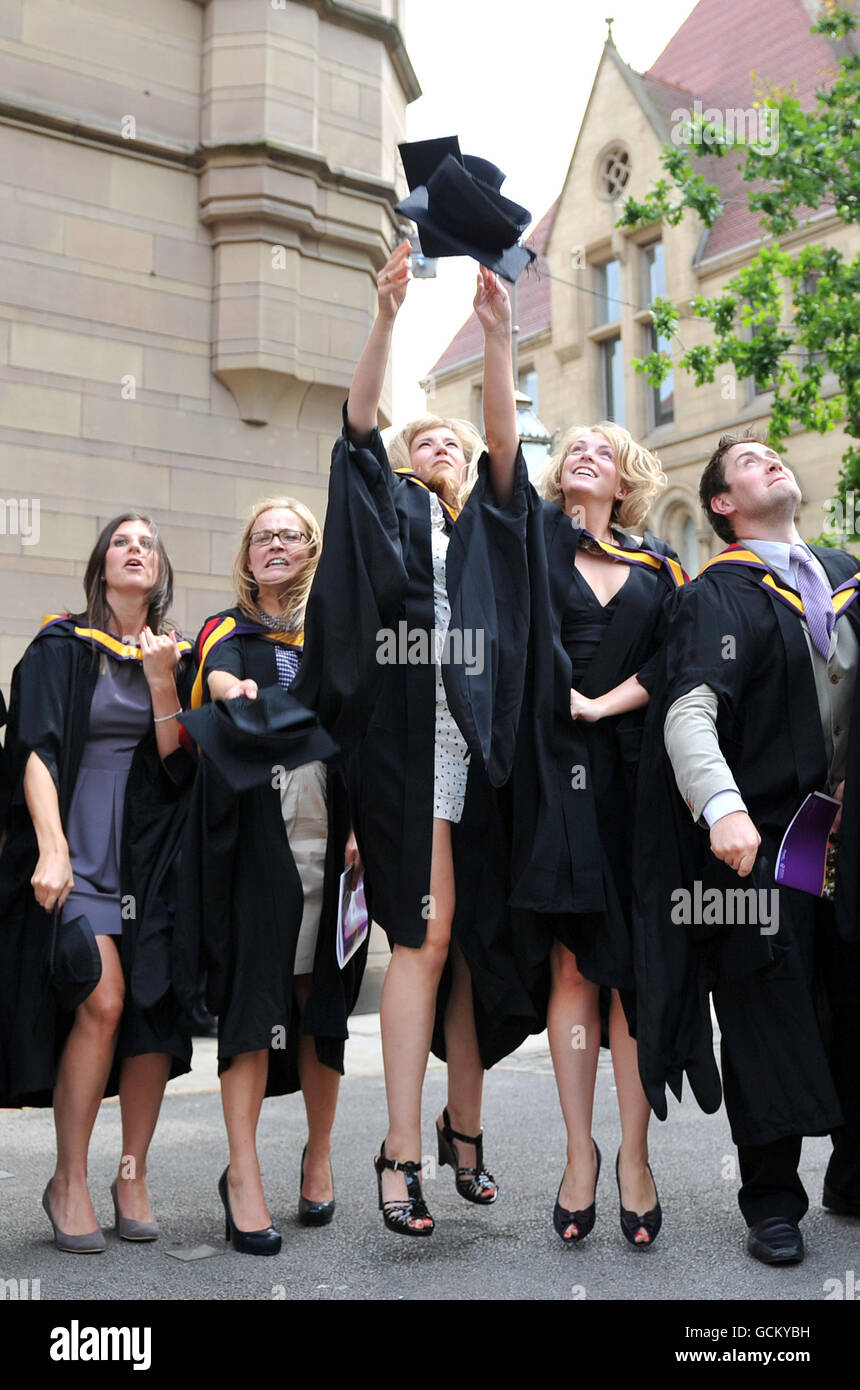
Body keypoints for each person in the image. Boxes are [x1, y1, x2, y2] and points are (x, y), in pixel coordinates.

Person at [292, 239, 534, 1237]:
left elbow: (506, 451)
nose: (438, 444)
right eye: (421, 436)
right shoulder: (383, 506)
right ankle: (398, 1150)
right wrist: (387, 316)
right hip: (412, 745)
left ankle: (461, 1127)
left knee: (478, 945)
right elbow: (354, 429)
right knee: (422, 939)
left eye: (452, 439)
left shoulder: (491, 521)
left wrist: (496, 334)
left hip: (493, 753)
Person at [636, 430, 860, 1265]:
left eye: (777, 453)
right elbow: (688, 710)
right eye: (749, 461)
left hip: (848, 835)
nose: (773, 459)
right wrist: (723, 809)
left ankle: (852, 1170)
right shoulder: (718, 594)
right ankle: (771, 1197)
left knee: (853, 998)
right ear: (722, 505)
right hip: (759, 844)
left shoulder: (844, 577)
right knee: (768, 1006)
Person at [507, 416, 684, 1246]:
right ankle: (581, 1154)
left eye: (603, 450)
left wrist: (601, 704)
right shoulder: (532, 544)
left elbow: (677, 663)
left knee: (636, 970)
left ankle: (635, 1159)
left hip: (640, 777)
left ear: (625, 482)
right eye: (572, 445)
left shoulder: (659, 566)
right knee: (575, 961)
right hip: (553, 777)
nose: (585, 452)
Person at [175, 497, 366, 1254]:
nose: (277, 545)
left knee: (321, 995)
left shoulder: (334, 635)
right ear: (248, 556)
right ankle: (244, 1174)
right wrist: (233, 692)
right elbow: (218, 678)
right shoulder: (228, 631)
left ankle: (317, 1157)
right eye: (264, 536)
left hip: (332, 823)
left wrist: (362, 831)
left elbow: (360, 733)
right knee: (256, 993)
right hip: (258, 826)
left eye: (291, 534)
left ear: (313, 548)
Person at [0, 514, 194, 1252]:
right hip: (78, 855)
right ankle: (69, 1178)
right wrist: (52, 848)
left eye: (148, 542)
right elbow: (35, 748)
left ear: (161, 568)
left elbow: (177, 765)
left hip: (149, 858)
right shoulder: (62, 645)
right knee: (105, 1000)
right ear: (101, 564)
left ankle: (131, 1173)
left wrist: (161, 681)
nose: (136, 549)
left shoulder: (169, 654)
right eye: (122, 541)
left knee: (151, 1009)